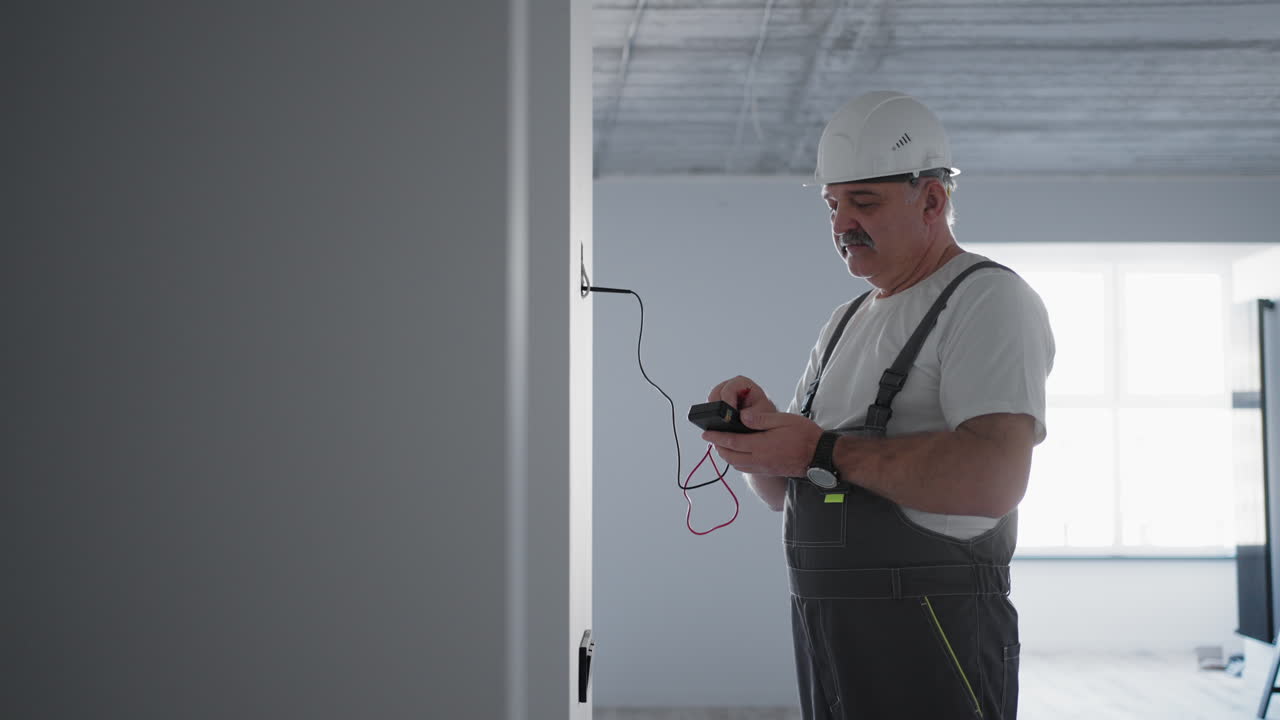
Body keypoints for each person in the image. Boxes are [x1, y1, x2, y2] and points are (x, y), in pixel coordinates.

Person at [701, 91, 1055, 720]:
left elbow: (994, 480)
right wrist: (757, 445)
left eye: (863, 202)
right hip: (827, 629)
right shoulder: (844, 323)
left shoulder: (986, 301)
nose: (841, 223)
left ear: (932, 200)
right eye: (832, 204)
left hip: (934, 633)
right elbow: (790, 494)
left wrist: (820, 447)